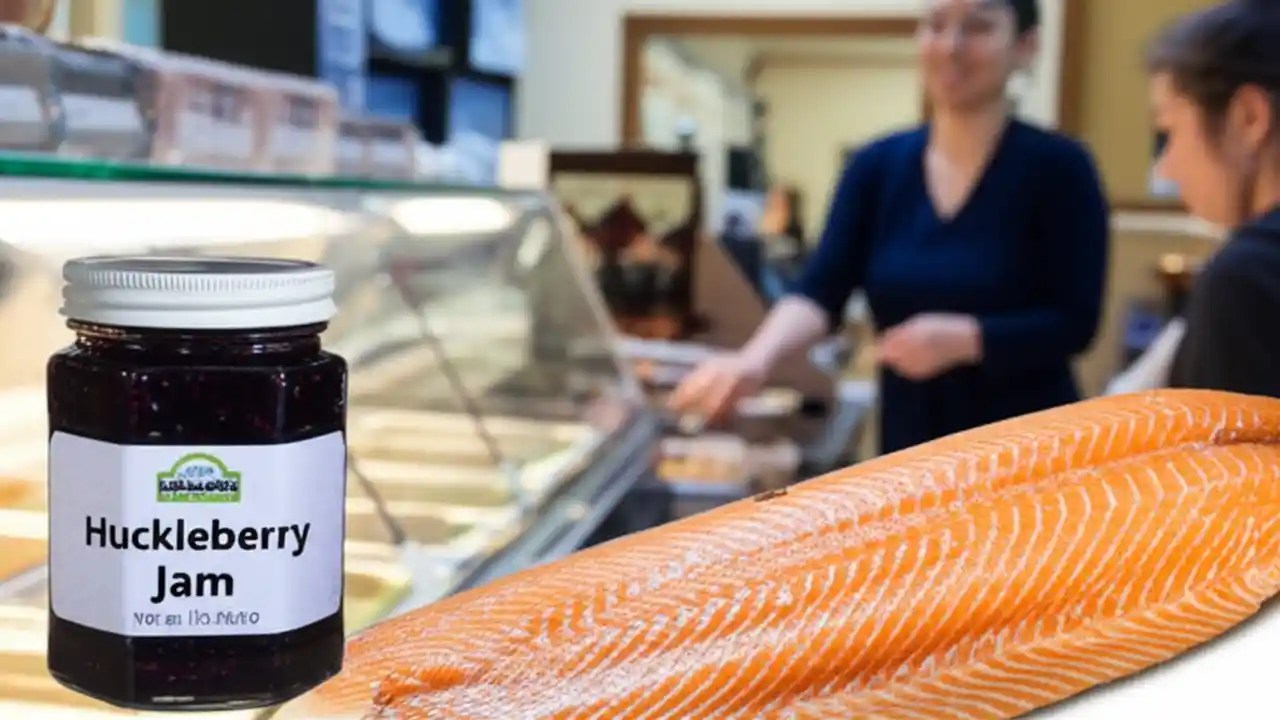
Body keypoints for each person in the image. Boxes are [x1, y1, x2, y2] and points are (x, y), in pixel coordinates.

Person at [668, 0, 1111, 457]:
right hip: (912, 447)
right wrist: (752, 360)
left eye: (977, 28)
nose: (951, 47)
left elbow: (1075, 323)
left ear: (1025, 46)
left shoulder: (1061, 168)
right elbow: (821, 292)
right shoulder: (875, 167)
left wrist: (965, 340)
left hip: (1031, 448)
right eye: (935, 26)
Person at [1143, 0, 1280, 398]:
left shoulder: (1247, 278)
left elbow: (1221, 461)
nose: (1166, 169)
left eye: (1169, 132)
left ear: (1248, 118)